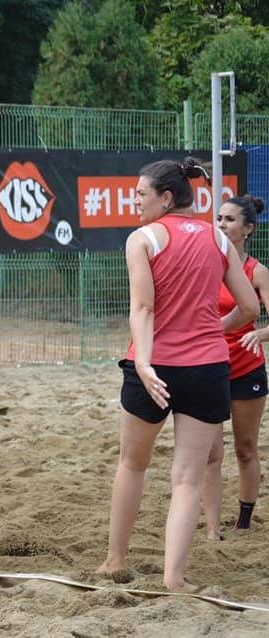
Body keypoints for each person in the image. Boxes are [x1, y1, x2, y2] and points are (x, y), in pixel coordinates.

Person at [96, 158, 258, 592]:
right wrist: (210, 332)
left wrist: (145, 363)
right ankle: (175, 578)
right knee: (187, 479)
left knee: (132, 464)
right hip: (207, 368)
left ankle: (114, 561)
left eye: (140, 196)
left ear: (166, 197)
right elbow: (250, 309)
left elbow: (143, 308)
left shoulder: (143, 238)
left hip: (155, 366)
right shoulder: (217, 239)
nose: (135, 204)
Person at [202, 194, 269, 539]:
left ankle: (243, 522)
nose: (222, 225)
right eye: (218, 219)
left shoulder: (256, 272)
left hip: (245, 369)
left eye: (229, 220)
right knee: (211, 453)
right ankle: (212, 529)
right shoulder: (205, 263)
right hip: (208, 367)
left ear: (247, 229)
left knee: (245, 449)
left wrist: (260, 333)